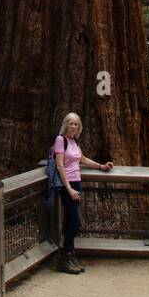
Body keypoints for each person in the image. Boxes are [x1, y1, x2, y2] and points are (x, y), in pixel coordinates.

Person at [52, 112, 113, 274]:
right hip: (67, 185)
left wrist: (101, 166)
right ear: (65, 125)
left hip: (76, 182)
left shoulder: (74, 141)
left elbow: (83, 160)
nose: (73, 126)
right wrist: (69, 189)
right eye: (71, 123)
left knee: (73, 221)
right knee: (75, 221)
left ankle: (71, 256)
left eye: (76, 124)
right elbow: (59, 166)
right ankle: (64, 257)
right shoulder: (61, 140)